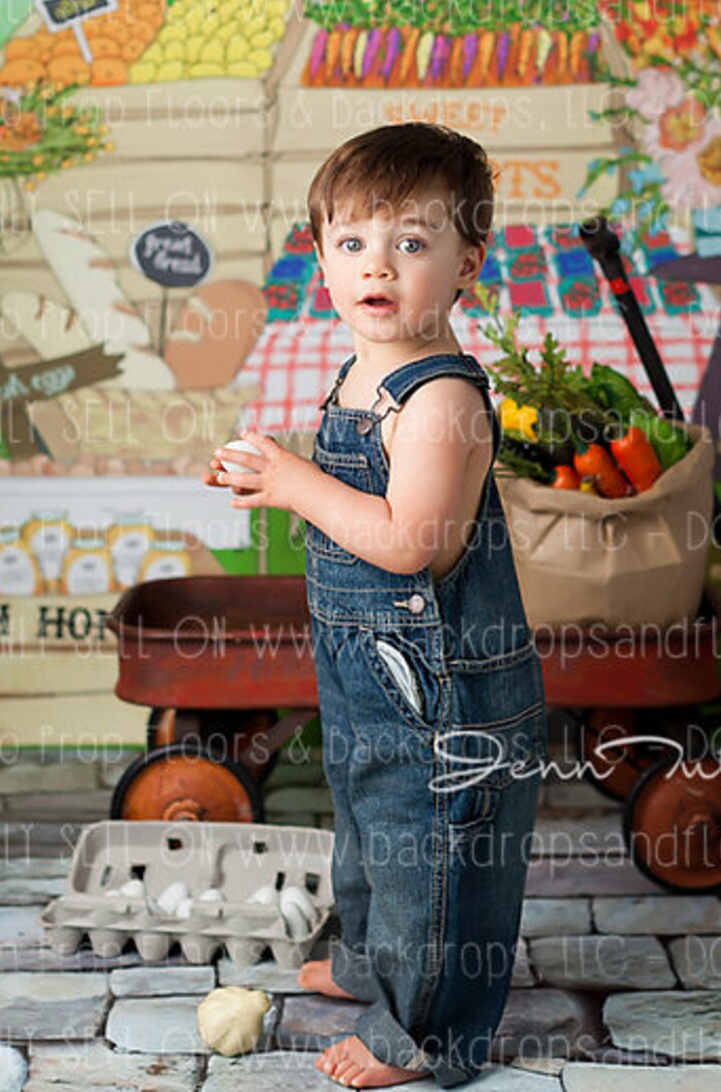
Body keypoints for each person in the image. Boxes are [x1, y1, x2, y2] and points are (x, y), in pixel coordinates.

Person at [208, 122, 547, 1090]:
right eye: (354, 242)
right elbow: (357, 498)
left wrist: (295, 483)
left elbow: (414, 542)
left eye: (412, 241)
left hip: (444, 685)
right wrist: (268, 474)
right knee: (368, 821)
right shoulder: (364, 370)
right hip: (373, 666)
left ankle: (425, 1034)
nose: (380, 265)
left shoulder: (439, 398)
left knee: (428, 851)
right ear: (321, 262)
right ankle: (368, 965)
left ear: (466, 265)